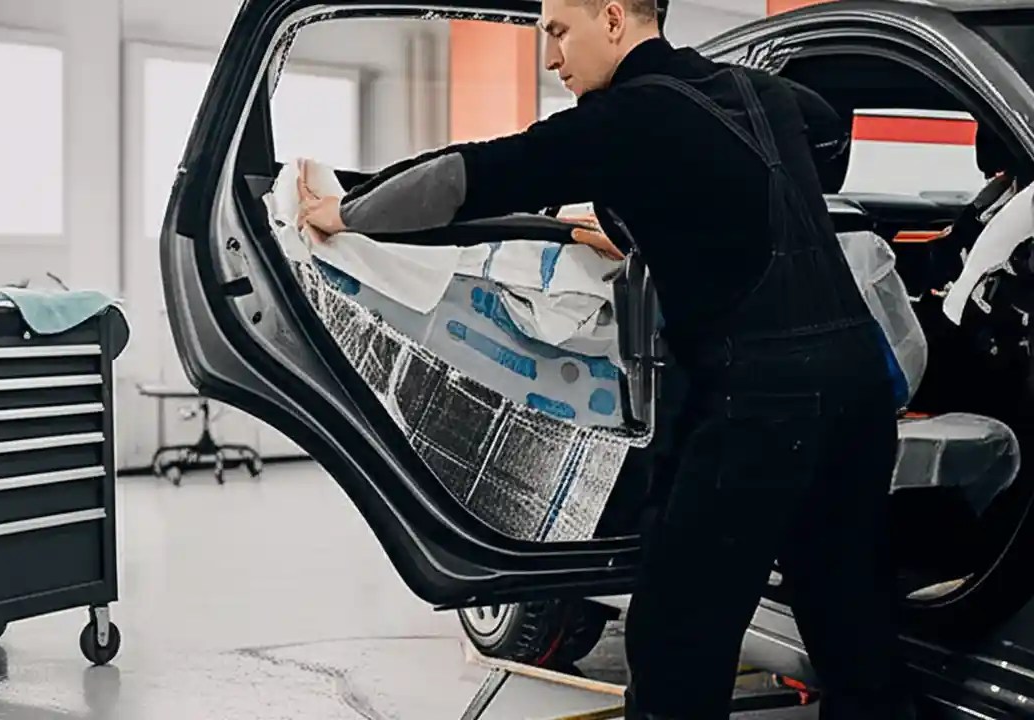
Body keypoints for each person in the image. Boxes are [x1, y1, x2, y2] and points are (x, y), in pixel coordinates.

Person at [297, 0, 910, 718]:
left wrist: (346, 211)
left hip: (760, 405)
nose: (552, 59)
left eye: (558, 33)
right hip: (862, 391)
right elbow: (800, 153)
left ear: (614, 17)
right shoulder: (765, 94)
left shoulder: (625, 119)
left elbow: (469, 179)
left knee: (675, 641)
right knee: (853, 627)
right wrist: (643, 224)